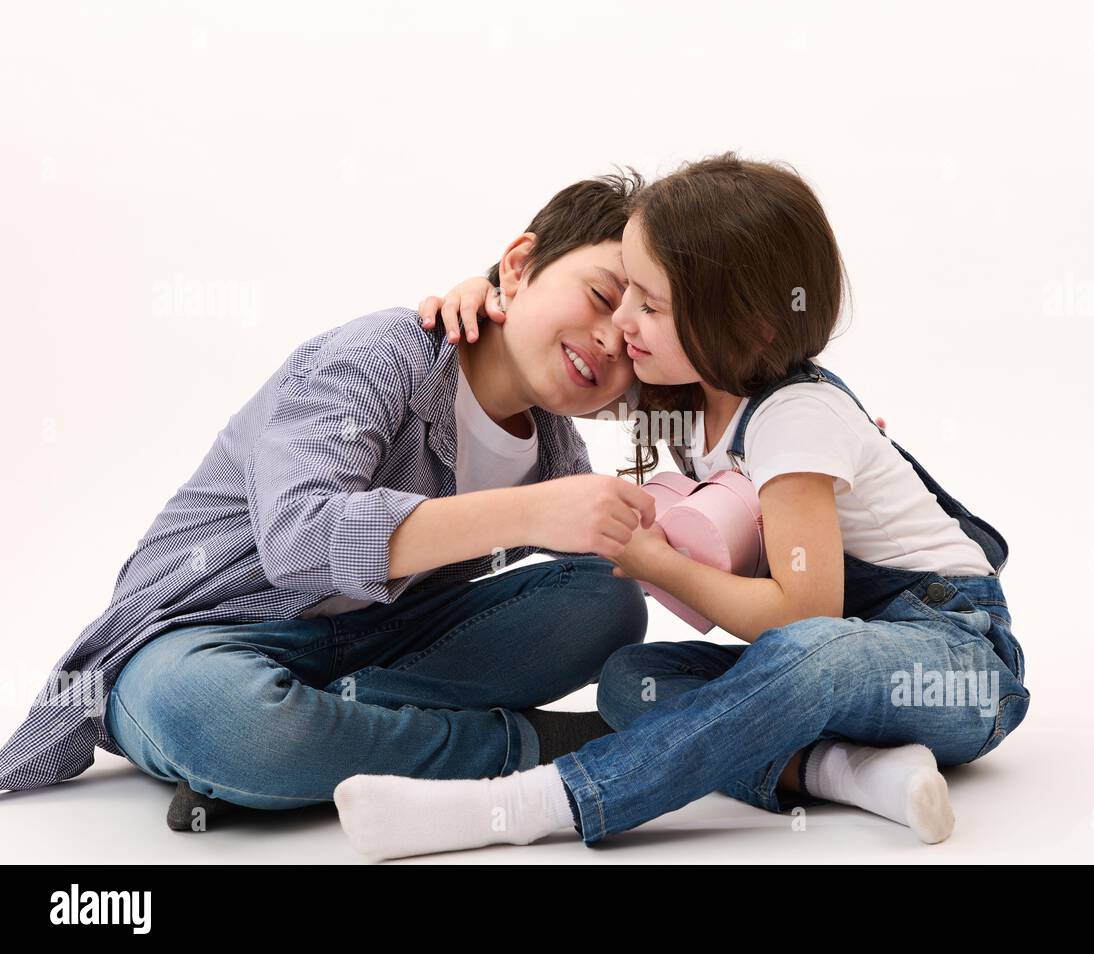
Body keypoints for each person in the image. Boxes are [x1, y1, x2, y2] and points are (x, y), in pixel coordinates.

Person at [334, 153, 1030, 858]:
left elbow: (803, 614)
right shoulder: (682, 395)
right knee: (633, 682)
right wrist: (487, 294)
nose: (621, 326)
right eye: (625, 290)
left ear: (749, 329)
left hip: (952, 665)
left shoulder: (794, 421)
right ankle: (847, 772)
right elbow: (558, 357)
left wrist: (656, 563)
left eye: (650, 305)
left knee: (816, 651)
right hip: (833, 672)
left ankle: (530, 804)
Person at [0, 170, 661, 830]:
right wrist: (533, 512)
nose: (609, 340)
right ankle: (527, 745)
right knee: (219, 717)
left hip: (374, 647)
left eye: (634, 345)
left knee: (607, 596)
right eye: (601, 296)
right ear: (518, 266)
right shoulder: (384, 352)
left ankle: (292, 758)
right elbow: (300, 538)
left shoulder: (553, 450)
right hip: (201, 638)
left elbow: (657, 555)